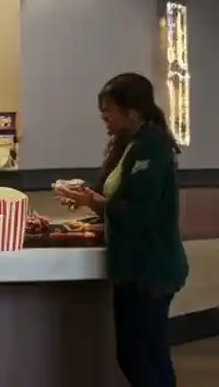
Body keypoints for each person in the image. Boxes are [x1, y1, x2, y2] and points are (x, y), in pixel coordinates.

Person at [55, 73, 188, 387]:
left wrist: (92, 201)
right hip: (133, 268)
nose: (104, 119)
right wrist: (90, 203)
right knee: (141, 355)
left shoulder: (151, 148)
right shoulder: (130, 147)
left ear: (132, 111)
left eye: (108, 112)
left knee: (141, 356)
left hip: (149, 269)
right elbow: (118, 203)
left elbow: (139, 213)